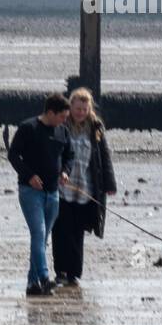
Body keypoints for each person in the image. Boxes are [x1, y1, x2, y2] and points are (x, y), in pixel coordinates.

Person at [7, 93, 73, 296]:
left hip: (53, 193)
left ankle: (32, 284)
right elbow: (13, 155)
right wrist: (29, 176)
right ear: (50, 112)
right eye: (62, 116)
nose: (64, 120)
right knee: (38, 233)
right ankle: (44, 277)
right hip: (30, 192)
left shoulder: (63, 131)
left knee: (43, 238)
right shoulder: (28, 127)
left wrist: (65, 172)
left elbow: (69, 155)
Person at [52, 87, 117, 286]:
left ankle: (74, 273)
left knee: (77, 233)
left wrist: (109, 183)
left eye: (84, 109)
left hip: (85, 188)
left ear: (89, 109)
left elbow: (104, 156)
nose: (80, 112)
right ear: (70, 107)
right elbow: (53, 152)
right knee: (60, 230)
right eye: (77, 108)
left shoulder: (96, 128)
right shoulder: (62, 125)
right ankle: (60, 271)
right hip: (63, 188)